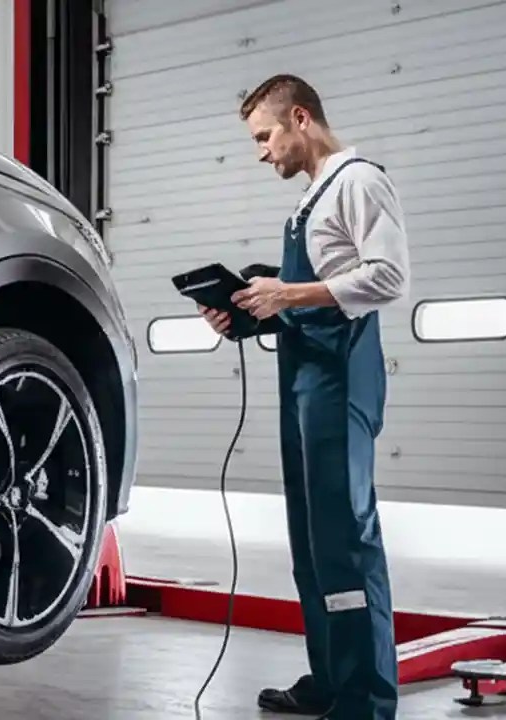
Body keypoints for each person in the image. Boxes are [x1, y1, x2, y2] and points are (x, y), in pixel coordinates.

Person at [199, 74, 410, 719]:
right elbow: (313, 292)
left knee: (346, 540)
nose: (262, 151)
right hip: (301, 379)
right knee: (312, 543)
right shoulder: (310, 200)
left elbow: (388, 274)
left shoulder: (358, 183)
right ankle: (331, 674)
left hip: (341, 380)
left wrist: (285, 293)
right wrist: (251, 309)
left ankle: (366, 699)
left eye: (265, 136)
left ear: (300, 119)